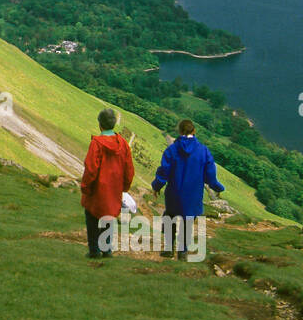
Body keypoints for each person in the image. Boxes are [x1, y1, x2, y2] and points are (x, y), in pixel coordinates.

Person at [151, 119, 224, 259]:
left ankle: (168, 249)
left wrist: (156, 186)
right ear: (194, 131)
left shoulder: (171, 150)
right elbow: (210, 176)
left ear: (179, 131)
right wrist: (218, 188)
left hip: (174, 193)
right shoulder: (203, 151)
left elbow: (163, 172)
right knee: (188, 222)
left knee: (169, 217)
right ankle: (183, 252)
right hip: (193, 196)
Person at [79, 107, 136, 259]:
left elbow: (91, 168)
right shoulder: (123, 144)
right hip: (114, 189)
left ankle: (94, 251)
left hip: (97, 189)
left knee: (92, 216)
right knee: (109, 217)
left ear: (100, 124)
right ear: (113, 124)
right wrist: (124, 187)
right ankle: (107, 249)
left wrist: (85, 186)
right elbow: (129, 170)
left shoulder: (96, 143)